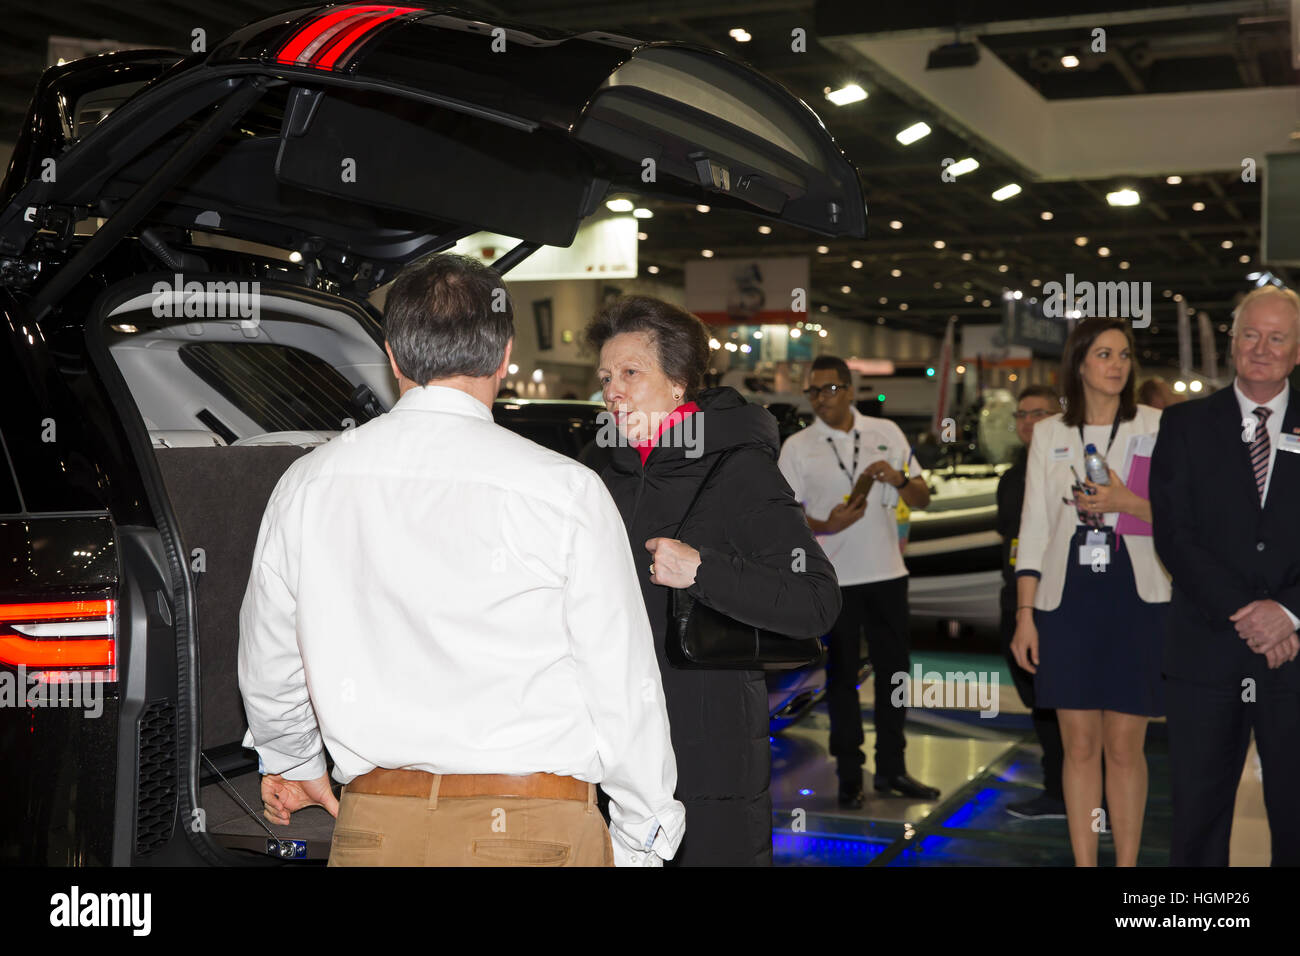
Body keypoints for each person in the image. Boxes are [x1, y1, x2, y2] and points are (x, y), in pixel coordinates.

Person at [238, 255, 684, 867]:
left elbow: (270, 659)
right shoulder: (565, 490)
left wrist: (294, 760)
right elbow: (621, 682)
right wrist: (644, 833)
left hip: (374, 829)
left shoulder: (307, 484)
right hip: (535, 832)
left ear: (392, 355)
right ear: (504, 357)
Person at [584, 295, 841, 866]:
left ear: (679, 383)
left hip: (705, 750)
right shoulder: (598, 472)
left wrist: (704, 571)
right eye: (605, 377)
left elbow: (816, 599)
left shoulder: (736, 467)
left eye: (630, 373)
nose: (612, 391)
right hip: (610, 747)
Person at [1149, 285, 1300, 866]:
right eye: (1250, 335)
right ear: (1232, 342)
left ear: (1295, 350)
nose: (1261, 348)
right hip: (1206, 657)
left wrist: (1286, 613)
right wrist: (1253, 616)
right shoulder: (1184, 425)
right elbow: (1175, 536)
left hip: (1294, 657)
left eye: (1276, 337)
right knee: (1198, 818)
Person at [1011, 317, 1169, 867]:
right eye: (1104, 355)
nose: (1117, 366)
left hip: (1137, 592)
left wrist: (1126, 503)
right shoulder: (1051, 434)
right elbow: (1032, 528)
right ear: (1079, 363)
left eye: (1124, 355)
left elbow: (1182, 518)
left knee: (1125, 747)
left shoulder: (1157, 426)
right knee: (1078, 746)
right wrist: (1025, 615)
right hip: (1066, 596)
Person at [778, 355, 939, 808]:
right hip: (836, 581)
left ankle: (893, 769)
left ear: (849, 390)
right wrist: (824, 525)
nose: (818, 399)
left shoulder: (886, 434)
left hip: (888, 575)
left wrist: (900, 477)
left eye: (827, 389)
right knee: (842, 678)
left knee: (894, 676)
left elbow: (922, 497)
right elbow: (784, 517)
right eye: (811, 391)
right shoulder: (798, 446)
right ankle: (849, 774)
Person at [995, 384, 1066, 819]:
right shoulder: (1013, 476)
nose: (1027, 423)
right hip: (1016, 600)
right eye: (1021, 415)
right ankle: (1057, 789)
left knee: (1065, 701)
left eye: (1038, 413)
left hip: (1056, 602)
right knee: (1038, 698)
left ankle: (1075, 795)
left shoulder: (1069, 467)